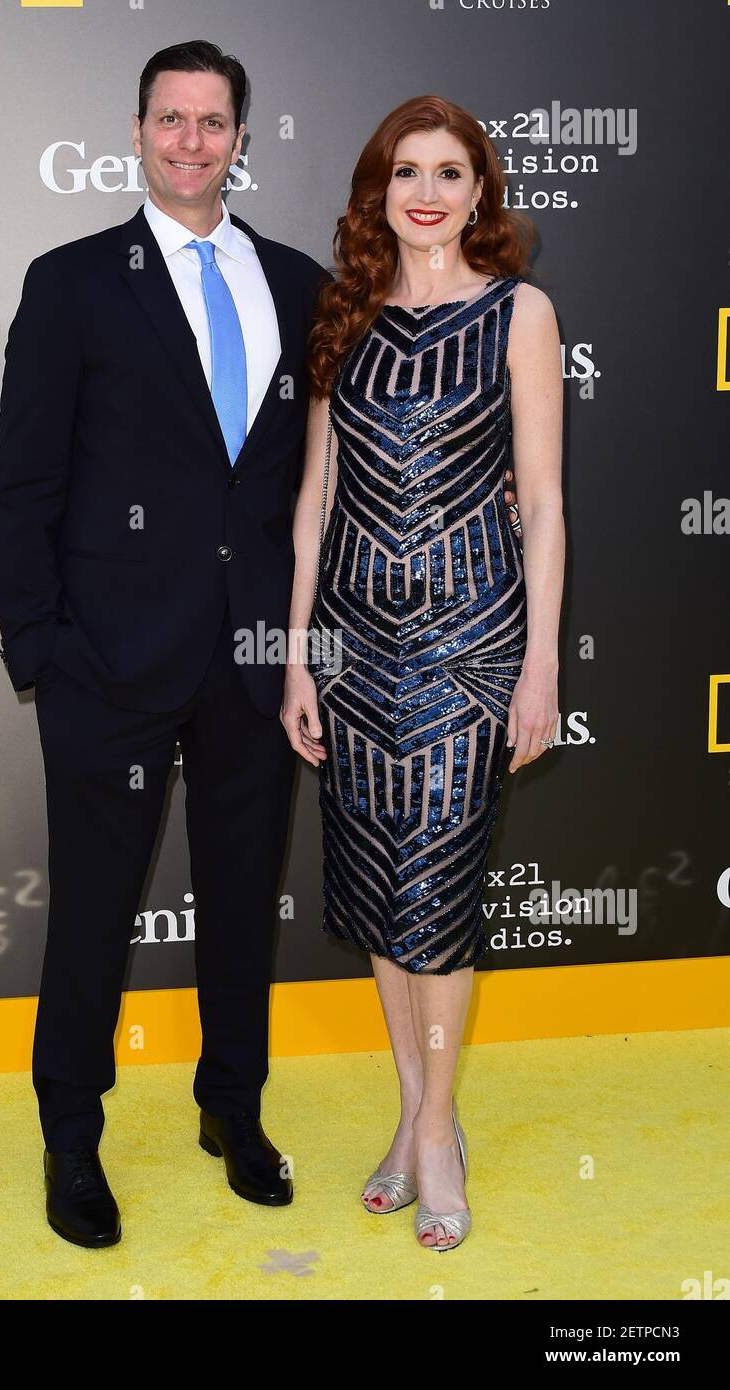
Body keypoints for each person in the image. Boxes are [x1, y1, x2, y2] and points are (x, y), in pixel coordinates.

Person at [0, 40, 329, 1248]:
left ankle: (230, 1109)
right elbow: (23, 482)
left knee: (243, 902)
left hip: (251, 661)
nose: (191, 140)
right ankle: (70, 1136)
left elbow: (306, 483)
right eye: (170, 119)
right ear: (136, 132)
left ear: (244, 136)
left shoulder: (297, 283)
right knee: (91, 914)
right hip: (106, 670)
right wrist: (43, 649)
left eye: (213, 121)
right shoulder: (73, 280)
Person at [282, 96, 564, 1251]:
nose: (427, 192)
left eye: (450, 172)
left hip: (471, 640)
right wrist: (299, 652)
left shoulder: (519, 313)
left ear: (479, 191)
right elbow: (313, 503)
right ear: (375, 190)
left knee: (436, 899)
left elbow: (542, 503)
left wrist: (537, 658)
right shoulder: (343, 315)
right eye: (406, 171)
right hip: (350, 641)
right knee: (380, 903)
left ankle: (437, 1129)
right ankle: (409, 1116)